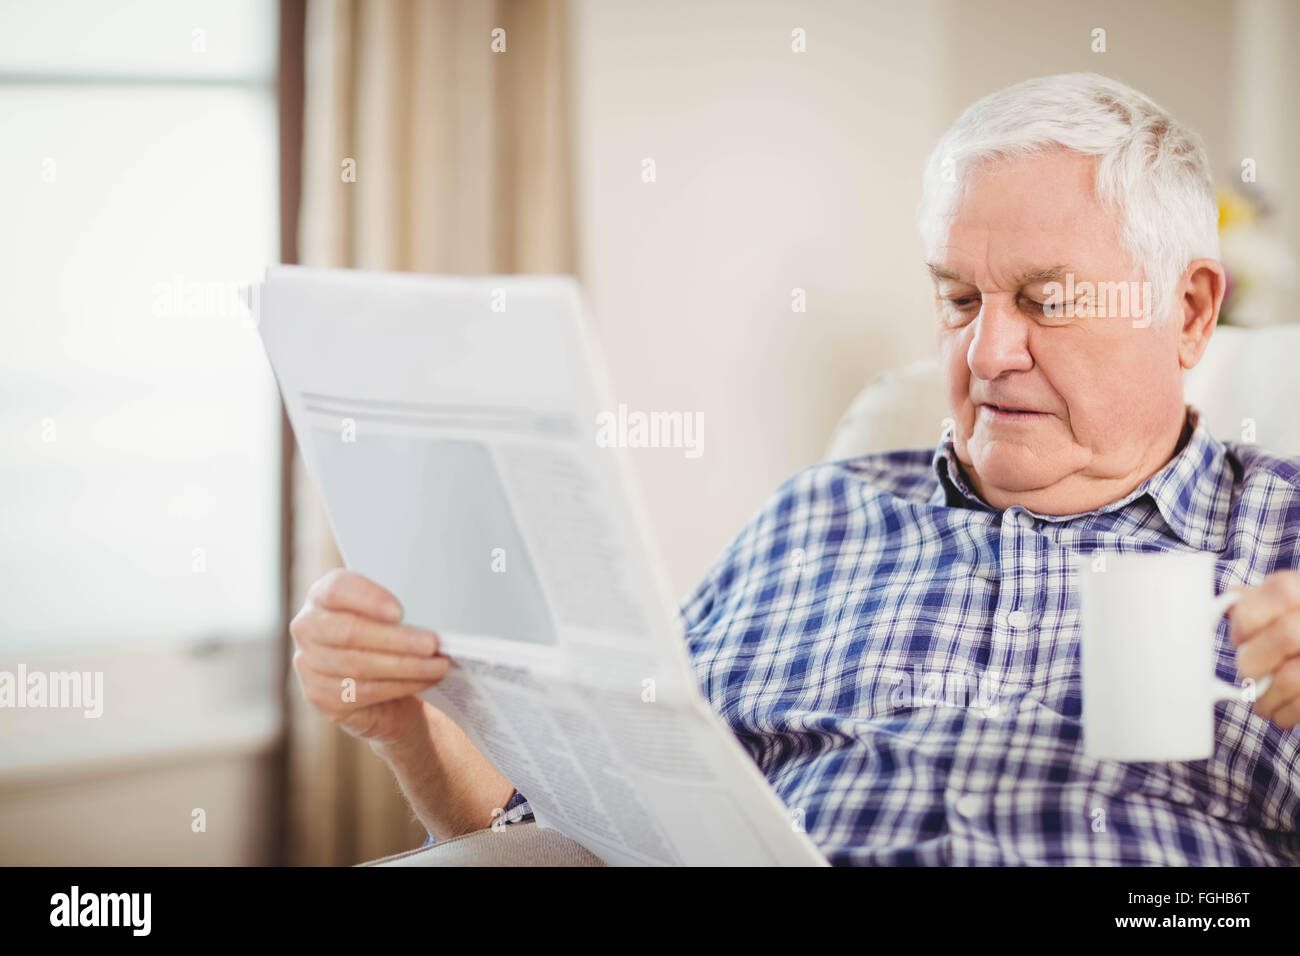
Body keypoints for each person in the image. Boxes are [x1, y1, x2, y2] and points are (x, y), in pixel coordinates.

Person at [290, 73, 1300, 865]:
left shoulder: (1282, 536)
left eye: (1045, 300)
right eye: (957, 299)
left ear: (1190, 311)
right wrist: (407, 723)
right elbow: (565, 835)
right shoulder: (813, 517)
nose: (988, 352)